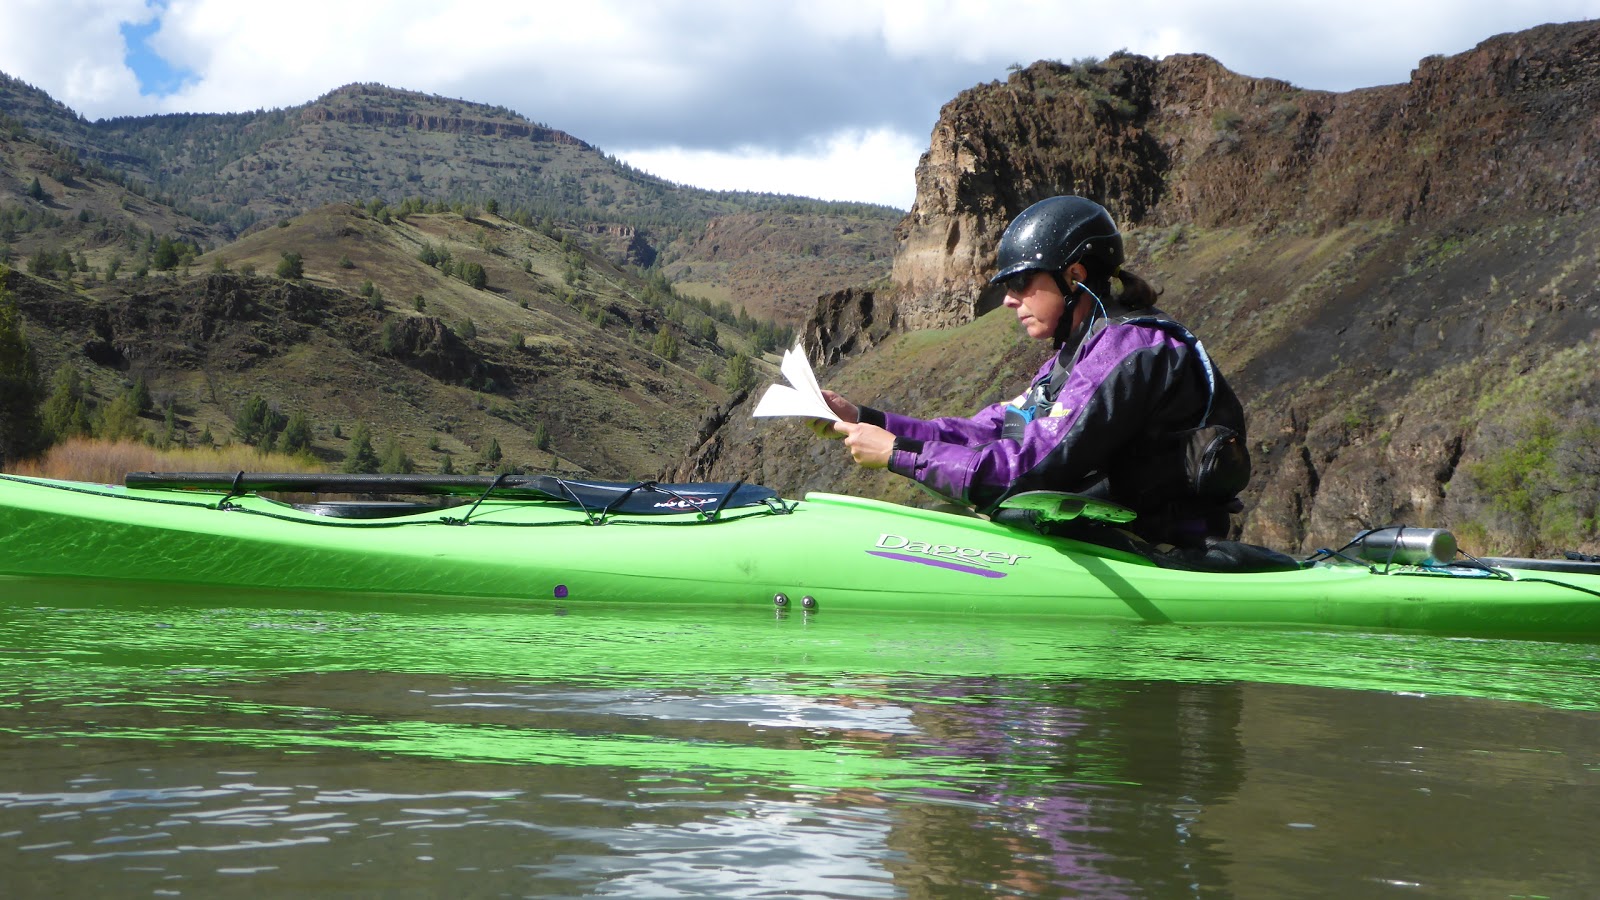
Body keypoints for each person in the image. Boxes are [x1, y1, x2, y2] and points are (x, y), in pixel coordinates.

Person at [812, 195, 1251, 551]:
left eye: (1020, 284)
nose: (1008, 300)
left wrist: (898, 454)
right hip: (1116, 544)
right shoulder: (1078, 352)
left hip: (1161, 553)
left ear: (1074, 276)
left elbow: (1027, 471)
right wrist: (869, 420)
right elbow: (995, 430)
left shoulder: (1127, 349)